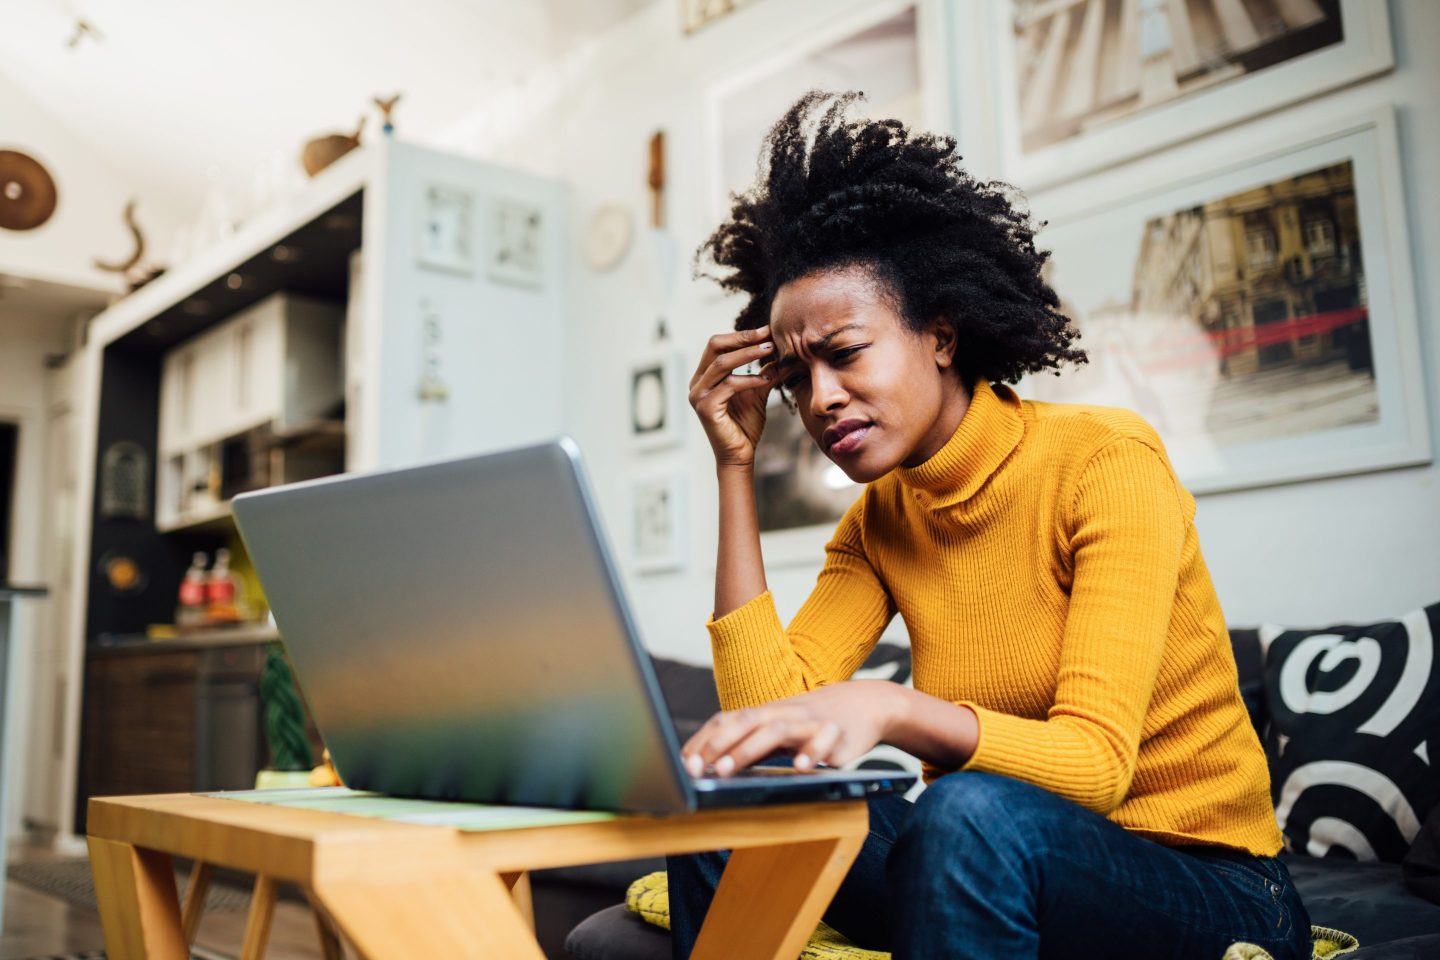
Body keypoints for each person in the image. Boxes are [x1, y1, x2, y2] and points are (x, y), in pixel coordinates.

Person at [669, 91, 1311, 960]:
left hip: (1208, 881)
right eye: (795, 374)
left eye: (846, 352)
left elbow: (1094, 767)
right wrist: (733, 468)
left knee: (968, 810)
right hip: (989, 856)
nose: (819, 399)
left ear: (939, 334)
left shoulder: (1106, 462)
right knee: (732, 794)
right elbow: (767, 723)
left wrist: (894, 707)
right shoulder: (882, 522)